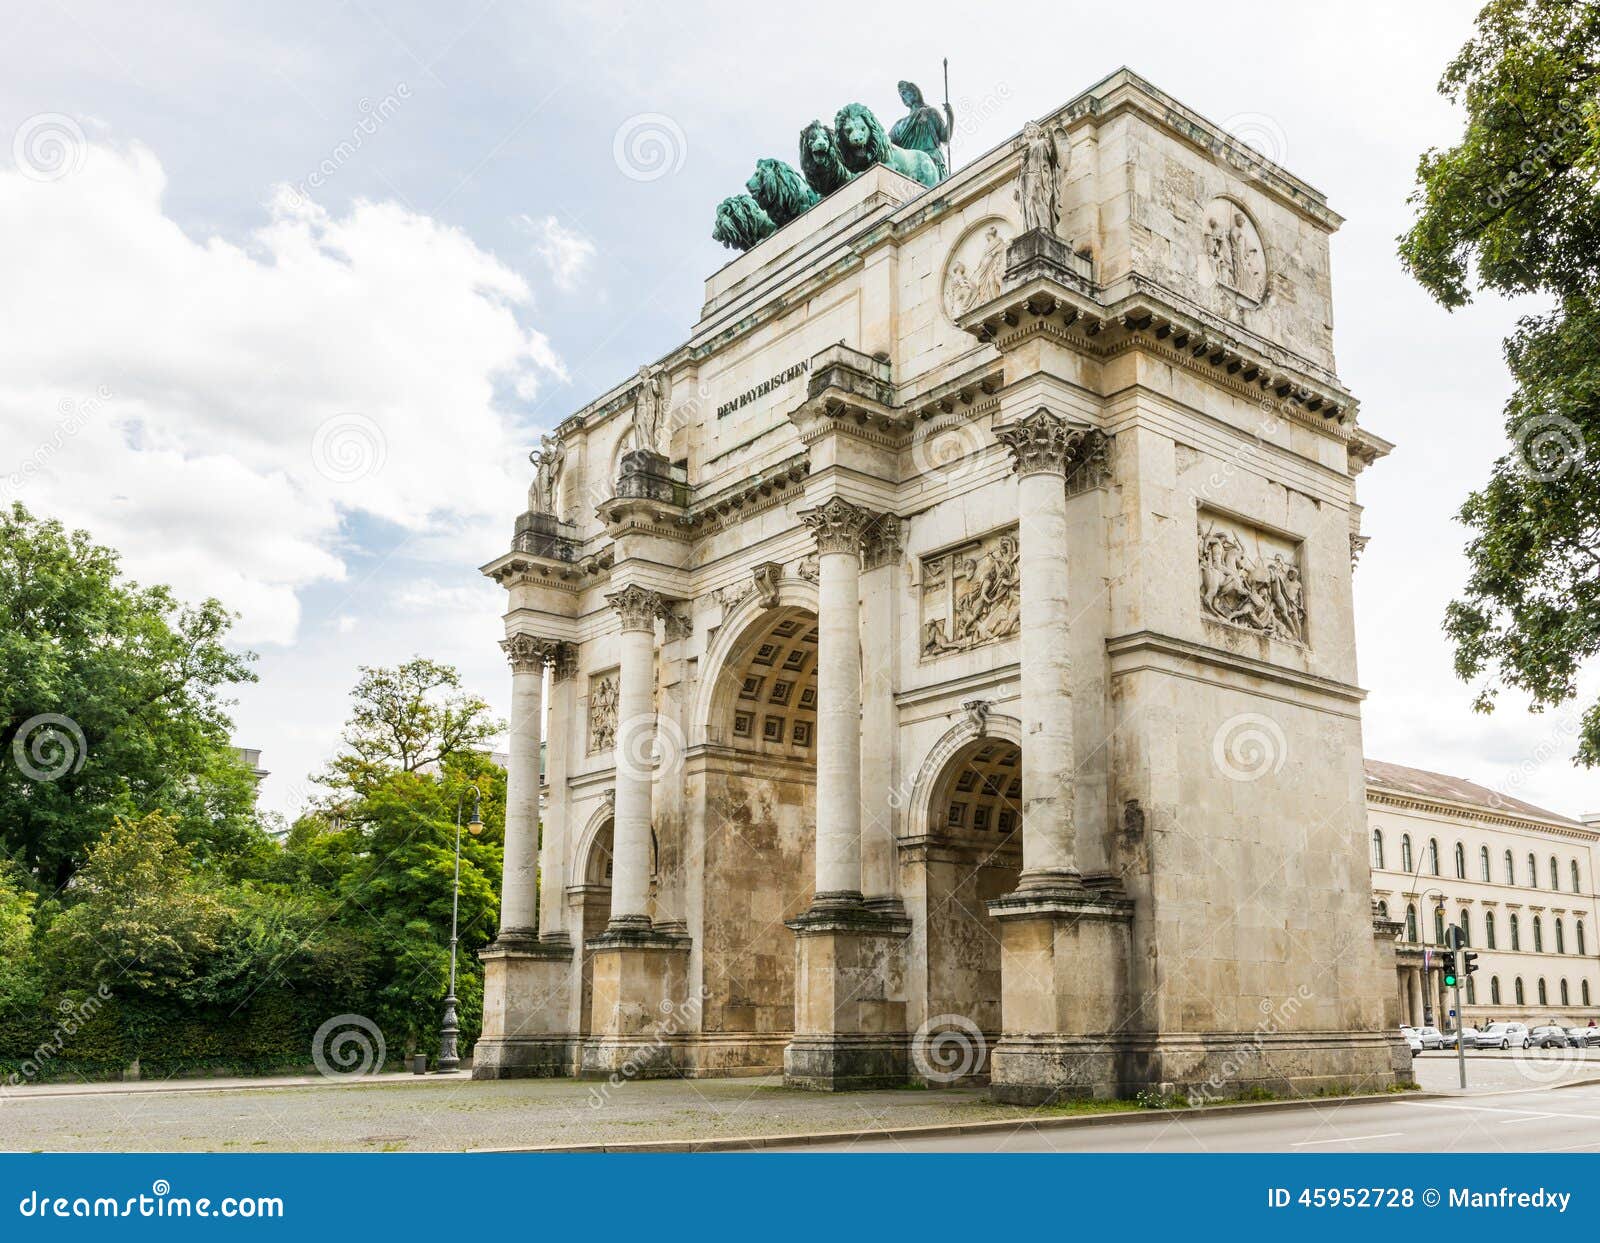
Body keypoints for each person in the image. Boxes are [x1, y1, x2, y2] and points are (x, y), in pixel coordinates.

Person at [889, 80, 953, 179]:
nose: (903, 97)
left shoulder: (930, 112)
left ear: (914, 92)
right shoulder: (900, 124)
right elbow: (888, 145)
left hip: (931, 162)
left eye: (905, 93)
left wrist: (950, 116)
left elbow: (945, 137)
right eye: (901, 95)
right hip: (911, 167)